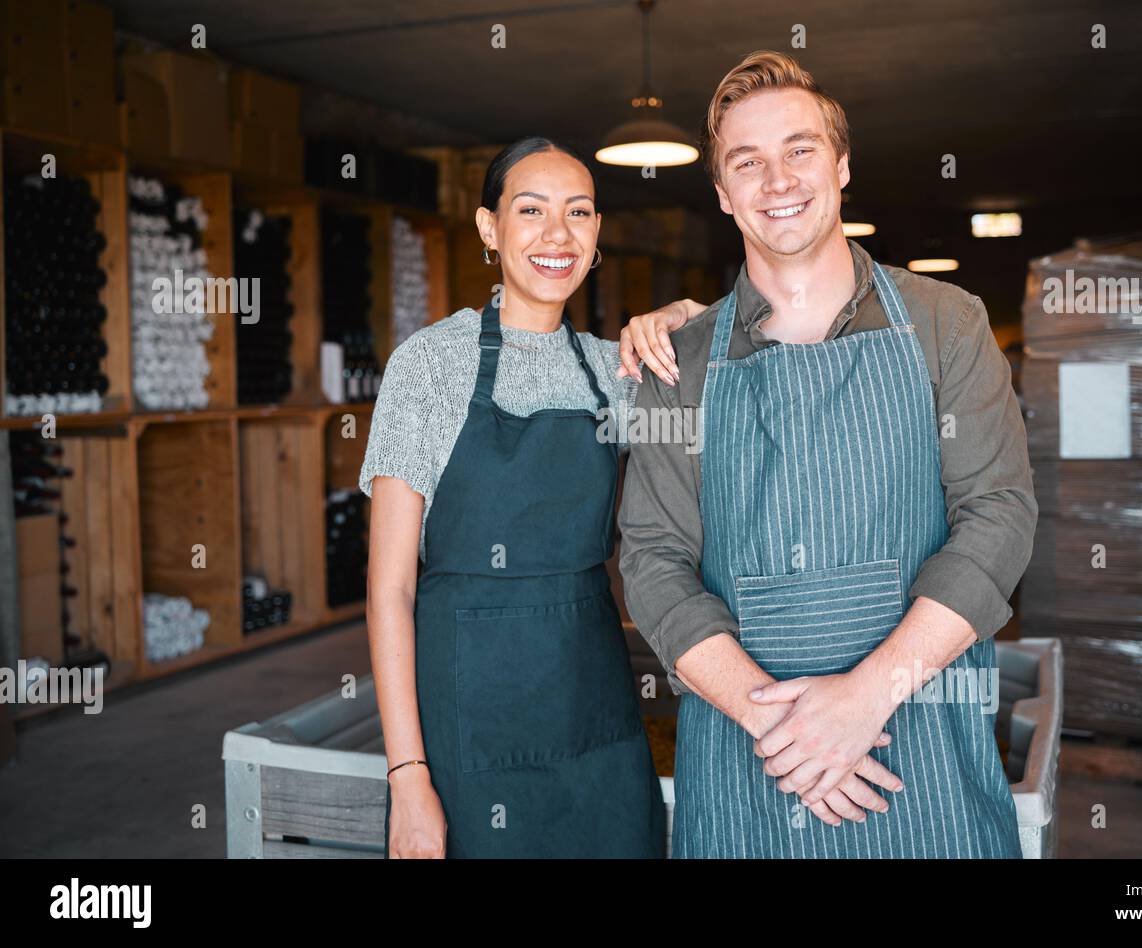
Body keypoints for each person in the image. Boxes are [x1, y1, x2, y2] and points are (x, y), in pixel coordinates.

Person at [618, 51, 1038, 857]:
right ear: (722, 193)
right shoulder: (681, 360)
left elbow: (999, 519)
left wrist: (865, 700)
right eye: (748, 162)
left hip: (922, 752)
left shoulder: (948, 324)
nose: (777, 180)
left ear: (842, 166)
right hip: (750, 767)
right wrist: (787, 728)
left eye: (800, 150)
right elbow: (654, 561)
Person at [361, 136, 697, 858]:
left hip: (595, 715)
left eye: (578, 213)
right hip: (468, 726)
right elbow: (389, 591)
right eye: (531, 210)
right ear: (490, 229)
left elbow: (744, 364)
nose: (557, 235)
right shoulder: (428, 366)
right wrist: (409, 778)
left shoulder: (620, 372)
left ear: (597, 233)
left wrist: (682, 319)